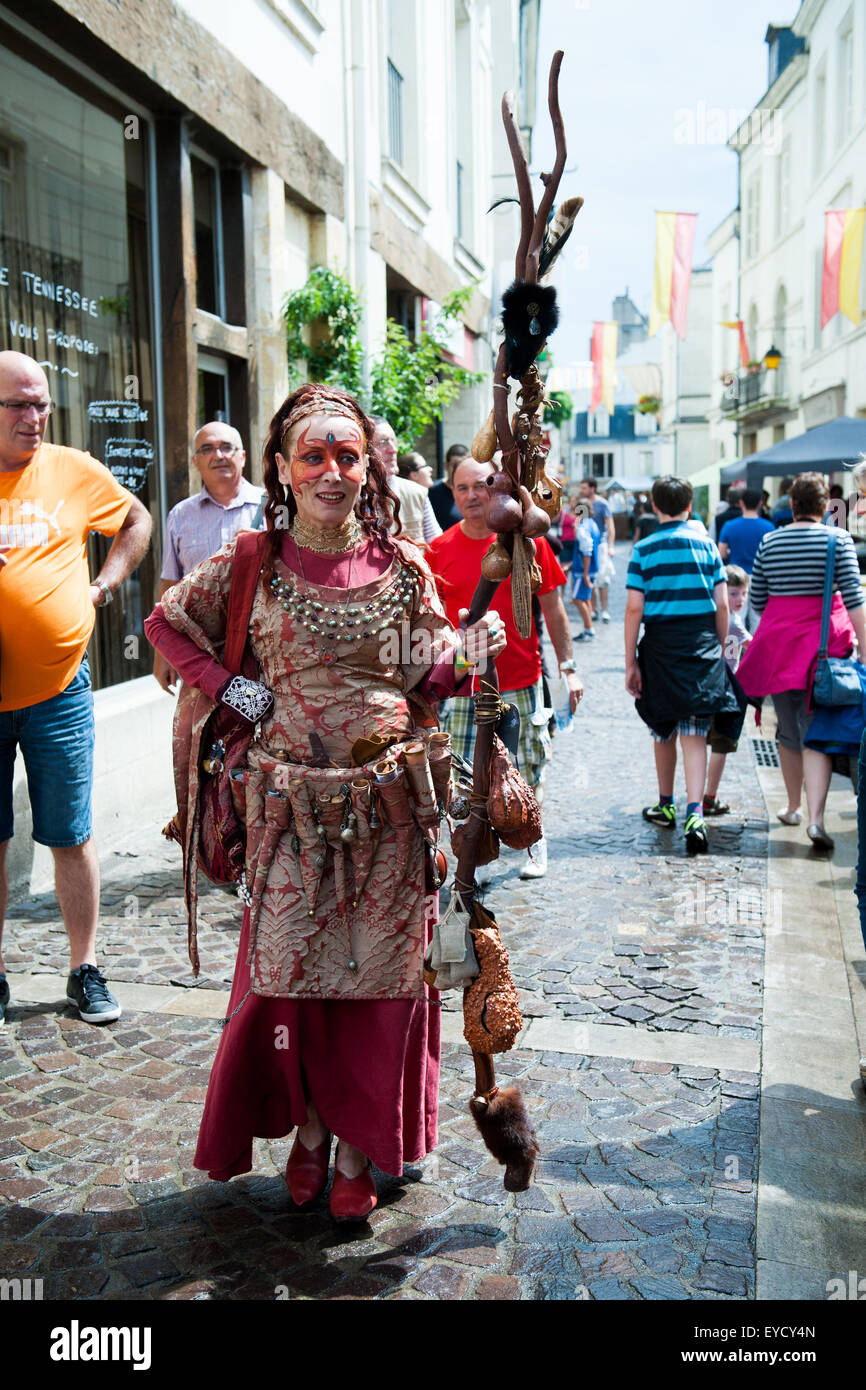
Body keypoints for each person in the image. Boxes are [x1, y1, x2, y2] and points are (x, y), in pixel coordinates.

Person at [144, 383, 505, 1219]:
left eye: (348, 456)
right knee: (290, 983)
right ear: (282, 468)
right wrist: (233, 690)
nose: (332, 472)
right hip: (287, 817)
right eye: (314, 456)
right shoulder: (249, 561)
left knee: (379, 987)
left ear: (368, 468)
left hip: (392, 816)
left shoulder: (403, 566)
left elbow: (426, 677)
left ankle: (355, 1148)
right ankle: (306, 1134)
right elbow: (166, 625)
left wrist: (470, 653)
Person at [0, 350, 152, 1025]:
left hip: (59, 689)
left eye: (41, 404)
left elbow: (136, 520)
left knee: (70, 832)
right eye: (18, 404)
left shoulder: (72, 468)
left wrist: (103, 585)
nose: (34, 417)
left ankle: (83, 967)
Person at [426, 457, 583, 880]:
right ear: (452, 494)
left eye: (482, 485)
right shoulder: (437, 551)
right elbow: (431, 626)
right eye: (462, 488)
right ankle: (471, 853)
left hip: (522, 679)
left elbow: (554, 607)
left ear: (498, 489)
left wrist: (569, 667)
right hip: (465, 686)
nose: (472, 495)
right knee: (463, 774)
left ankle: (534, 841)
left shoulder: (526, 543)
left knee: (528, 767)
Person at [736, 472, 866, 852]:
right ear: (825, 506)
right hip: (825, 648)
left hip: (780, 647)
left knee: (787, 731)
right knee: (817, 732)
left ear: (792, 504)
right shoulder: (838, 540)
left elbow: (758, 601)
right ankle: (816, 819)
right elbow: (855, 601)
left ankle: (792, 807)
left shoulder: (771, 541)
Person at [625, 475, 741, 857]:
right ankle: (695, 813)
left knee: (662, 729)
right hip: (701, 645)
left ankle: (665, 805)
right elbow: (722, 605)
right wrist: (722, 649)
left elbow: (634, 609)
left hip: (659, 648)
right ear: (689, 507)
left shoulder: (643, 549)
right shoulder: (707, 546)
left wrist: (630, 662)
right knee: (694, 733)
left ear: (655, 507)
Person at [154, 421, 264, 693]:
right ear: (196, 461)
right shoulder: (180, 515)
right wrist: (163, 651)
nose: (218, 455)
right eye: (207, 449)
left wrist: (267, 546)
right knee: (205, 719)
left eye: (226, 447)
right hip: (202, 654)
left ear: (242, 456)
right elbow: (170, 586)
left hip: (262, 648)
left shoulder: (273, 506)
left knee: (260, 712)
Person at [702, 565, 752, 817]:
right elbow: (752, 645)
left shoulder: (716, 616)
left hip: (709, 685)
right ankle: (709, 796)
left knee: (702, 740)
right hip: (726, 688)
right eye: (733, 594)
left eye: (743, 593)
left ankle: (698, 792)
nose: (740, 599)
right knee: (721, 743)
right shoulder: (733, 621)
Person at [369, 416, 441, 550]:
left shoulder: (417, 493)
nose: (393, 449)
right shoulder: (352, 499)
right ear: (365, 450)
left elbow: (437, 545)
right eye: (383, 442)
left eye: (393, 440)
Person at [579, 477, 615, 622]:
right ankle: (594, 609)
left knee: (603, 579)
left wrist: (610, 546)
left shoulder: (602, 504)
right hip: (587, 547)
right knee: (591, 577)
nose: (581, 490)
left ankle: (605, 610)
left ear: (592, 488)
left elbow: (610, 526)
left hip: (600, 546)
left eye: (584, 488)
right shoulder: (583, 504)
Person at [718, 487, 774, 572]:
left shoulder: (729, 526)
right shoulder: (769, 527)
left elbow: (722, 553)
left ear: (741, 503)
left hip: (736, 574)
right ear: (760, 504)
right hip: (759, 573)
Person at [572, 508, 601, 641]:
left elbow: (586, 550)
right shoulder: (593, 524)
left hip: (583, 569)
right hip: (591, 567)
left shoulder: (582, 527)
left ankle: (589, 629)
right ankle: (588, 628)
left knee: (577, 599)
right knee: (585, 598)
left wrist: (585, 574)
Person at [428, 443, 468, 530]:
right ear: (446, 466)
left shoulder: (472, 491)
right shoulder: (432, 491)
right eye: (454, 465)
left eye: (462, 465)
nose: (458, 469)